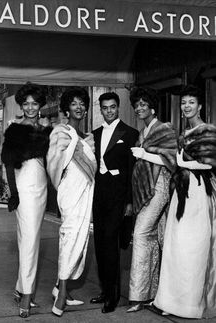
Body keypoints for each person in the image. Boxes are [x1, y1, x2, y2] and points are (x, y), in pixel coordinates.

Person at [154, 84, 216, 319]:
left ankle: (191, 305)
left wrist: (184, 164)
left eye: (191, 102)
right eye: (183, 102)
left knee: (193, 248)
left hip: (199, 194)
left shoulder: (207, 130)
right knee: (175, 247)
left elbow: (209, 164)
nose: (186, 106)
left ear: (200, 106)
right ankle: (171, 302)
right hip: (181, 193)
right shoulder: (182, 133)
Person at [1, 82, 52, 318]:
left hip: (41, 186)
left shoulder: (47, 126)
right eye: (26, 103)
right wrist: (13, 193)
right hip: (24, 187)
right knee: (30, 240)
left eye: (34, 103)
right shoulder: (15, 128)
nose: (30, 107)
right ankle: (27, 295)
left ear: (40, 104)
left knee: (28, 239)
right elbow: (9, 164)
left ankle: (20, 288)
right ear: (21, 105)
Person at [46, 87, 97, 317]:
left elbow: (94, 168)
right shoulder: (61, 132)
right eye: (74, 104)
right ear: (67, 108)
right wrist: (62, 183)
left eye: (82, 103)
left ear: (86, 108)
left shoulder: (88, 138)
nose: (78, 107)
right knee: (69, 237)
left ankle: (60, 287)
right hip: (68, 192)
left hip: (86, 191)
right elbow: (54, 163)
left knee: (79, 238)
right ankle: (63, 292)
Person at [127, 87, 177, 312]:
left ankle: (138, 295)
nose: (139, 109)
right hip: (146, 189)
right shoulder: (142, 132)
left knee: (140, 234)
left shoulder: (164, 128)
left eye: (143, 105)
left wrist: (144, 154)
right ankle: (153, 294)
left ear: (152, 107)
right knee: (155, 238)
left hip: (160, 187)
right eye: (136, 105)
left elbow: (171, 159)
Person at [90, 92, 139, 314]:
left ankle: (113, 296)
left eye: (113, 107)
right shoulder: (95, 134)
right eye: (105, 108)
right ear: (101, 109)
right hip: (98, 195)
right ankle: (104, 289)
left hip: (118, 196)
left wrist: (129, 202)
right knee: (99, 243)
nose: (109, 111)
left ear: (118, 108)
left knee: (111, 244)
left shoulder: (130, 133)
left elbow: (132, 172)